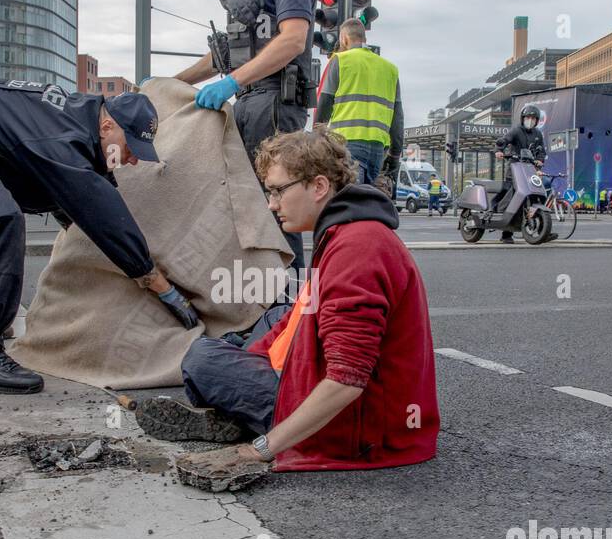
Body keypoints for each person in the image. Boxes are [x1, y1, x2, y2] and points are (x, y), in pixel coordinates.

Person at [136, 129, 439, 475]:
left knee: (202, 359)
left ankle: (248, 416)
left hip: (360, 430)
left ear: (319, 186)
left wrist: (261, 449)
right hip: (371, 412)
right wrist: (248, 362)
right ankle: (240, 396)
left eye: (278, 190)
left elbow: (347, 379)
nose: (271, 204)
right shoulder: (350, 230)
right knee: (279, 315)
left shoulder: (358, 250)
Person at [0, 78, 198, 394]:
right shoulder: (64, 137)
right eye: (131, 147)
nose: (132, 160)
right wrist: (159, 285)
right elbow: (101, 211)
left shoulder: (74, 123)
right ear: (107, 126)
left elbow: (58, 187)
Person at [175, 0, 316, 273]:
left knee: (276, 212)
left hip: (274, 104)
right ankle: (263, 312)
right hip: (251, 103)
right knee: (249, 210)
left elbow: (292, 39)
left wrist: (232, 83)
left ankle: (288, 314)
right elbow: (227, 54)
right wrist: (173, 82)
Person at [315, 18, 403, 186]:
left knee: (348, 203)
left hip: (346, 146)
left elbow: (324, 106)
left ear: (343, 39)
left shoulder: (340, 61)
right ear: (365, 40)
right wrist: (395, 155)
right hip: (378, 151)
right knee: (366, 203)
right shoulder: (390, 69)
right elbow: (397, 118)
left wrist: (316, 143)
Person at [495, 104, 555, 243]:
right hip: (515, 169)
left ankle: (542, 230)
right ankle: (506, 234)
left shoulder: (537, 134)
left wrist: (540, 160)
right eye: (528, 117)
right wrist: (499, 150)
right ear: (523, 118)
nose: (530, 120)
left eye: (533, 118)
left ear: (537, 120)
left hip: (529, 170)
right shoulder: (516, 131)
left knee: (539, 193)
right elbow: (504, 140)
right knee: (514, 197)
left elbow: (541, 151)